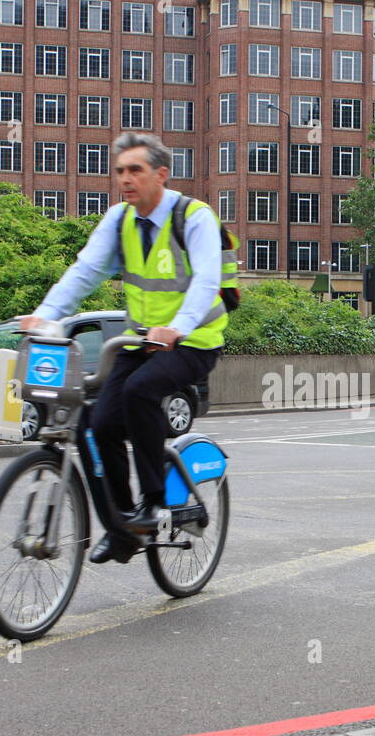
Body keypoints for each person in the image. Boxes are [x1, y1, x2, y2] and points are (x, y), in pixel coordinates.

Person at [21, 133, 229, 565]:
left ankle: (154, 501)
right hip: (139, 342)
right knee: (98, 425)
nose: (125, 179)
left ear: (161, 174)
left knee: (139, 394)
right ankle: (122, 528)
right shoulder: (119, 221)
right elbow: (84, 272)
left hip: (194, 341)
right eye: (119, 171)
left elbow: (207, 280)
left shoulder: (194, 217)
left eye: (135, 170)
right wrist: (45, 315)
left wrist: (177, 327)